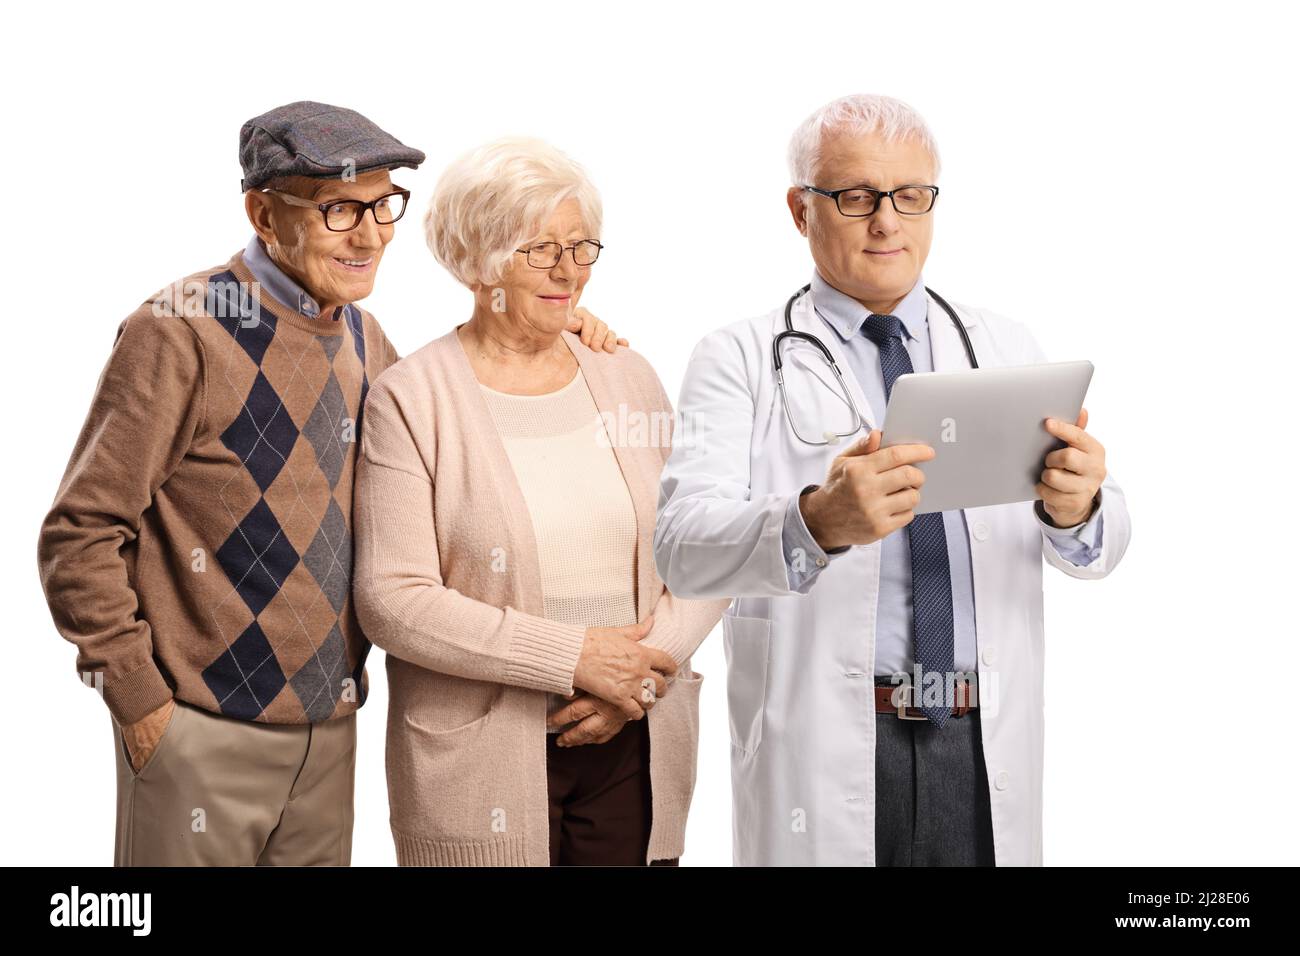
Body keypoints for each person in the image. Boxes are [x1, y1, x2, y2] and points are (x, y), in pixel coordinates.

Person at [36, 102, 622, 866]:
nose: (372, 232)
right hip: (199, 729)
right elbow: (80, 533)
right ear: (263, 214)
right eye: (341, 207)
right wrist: (141, 702)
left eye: (384, 205)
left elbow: (453, 429)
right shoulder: (178, 330)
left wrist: (553, 325)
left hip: (330, 733)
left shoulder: (363, 336)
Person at [653, 93, 1132, 866]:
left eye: (911, 197)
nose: (888, 222)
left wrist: (1077, 507)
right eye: (856, 197)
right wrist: (815, 522)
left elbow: (1099, 547)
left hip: (979, 741)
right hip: (830, 738)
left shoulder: (1005, 346)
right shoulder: (737, 356)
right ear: (800, 210)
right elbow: (680, 547)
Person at [352, 137, 728, 866]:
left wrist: (645, 669)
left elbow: (704, 548)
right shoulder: (412, 397)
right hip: (483, 755)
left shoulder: (626, 376)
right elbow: (392, 599)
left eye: (582, 247)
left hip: (634, 734)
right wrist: (575, 658)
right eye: (540, 249)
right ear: (477, 259)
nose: (568, 271)